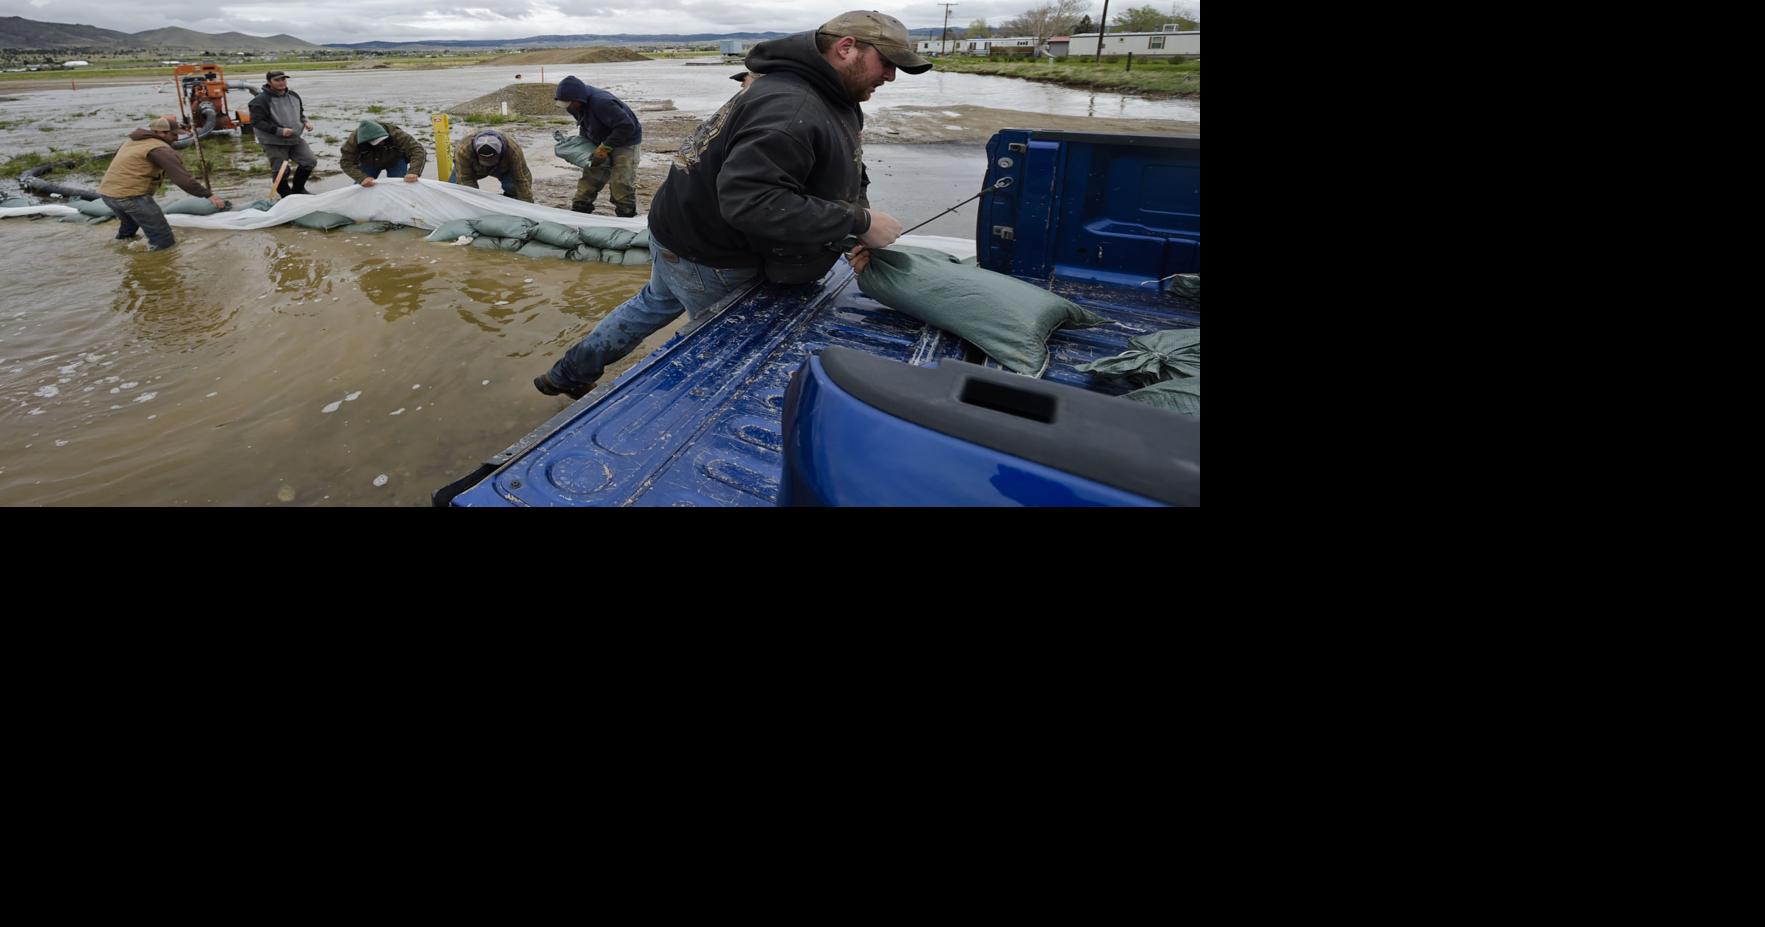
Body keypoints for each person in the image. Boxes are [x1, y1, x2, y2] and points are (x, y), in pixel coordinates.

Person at [534, 10, 930, 400]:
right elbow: (752, 202)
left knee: (651, 305)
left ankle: (566, 374)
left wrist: (857, 223)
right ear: (847, 48)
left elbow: (847, 167)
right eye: (888, 63)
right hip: (710, 256)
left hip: (678, 229)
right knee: (715, 349)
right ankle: (657, 413)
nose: (891, 76)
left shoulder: (824, 92)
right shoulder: (792, 107)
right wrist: (858, 220)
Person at [96, 115, 227, 252]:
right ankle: (156, 268)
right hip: (132, 196)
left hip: (108, 194)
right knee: (164, 241)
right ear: (160, 133)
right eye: (174, 135)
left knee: (129, 228)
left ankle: (122, 251)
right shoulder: (159, 148)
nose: (176, 138)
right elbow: (182, 179)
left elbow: (117, 160)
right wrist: (209, 195)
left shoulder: (131, 142)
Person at [552, 75, 642, 216]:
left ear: (578, 99)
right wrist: (585, 146)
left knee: (621, 180)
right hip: (598, 137)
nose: (568, 107)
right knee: (592, 172)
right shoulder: (573, 106)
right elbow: (585, 123)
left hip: (626, 139)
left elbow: (626, 126)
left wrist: (605, 148)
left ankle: (626, 211)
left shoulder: (602, 102)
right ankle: (581, 207)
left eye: (569, 103)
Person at [249, 70, 317, 196]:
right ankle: (286, 196)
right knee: (281, 170)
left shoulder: (294, 95)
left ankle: (298, 190)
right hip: (273, 142)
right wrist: (279, 131)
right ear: (269, 82)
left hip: (294, 138)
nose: (281, 82)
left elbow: (300, 112)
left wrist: (305, 121)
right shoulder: (260, 100)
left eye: (283, 79)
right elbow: (256, 122)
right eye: (277, 80)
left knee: (309, 161)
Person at [448, 130, 533, 202]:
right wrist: (474, 203)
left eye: (491, 160)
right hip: (475, 168)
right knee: (455, 189)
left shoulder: (513, 150)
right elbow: (465, 179)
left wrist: (528, 206)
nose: (488, 164)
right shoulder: (463, 149)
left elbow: (521, 180)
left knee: (513, 188)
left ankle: (511, 205)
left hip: (503, 168)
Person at [340, 120, 426, 186]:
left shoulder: (395, 133)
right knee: (363, 186)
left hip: (395, 159)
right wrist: (361, 178)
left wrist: (414, 172)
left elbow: (417, 150)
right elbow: (346, 162)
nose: (382, 142)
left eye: (383, 139)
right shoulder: (353, 141)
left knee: (400, 185)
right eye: (377, 141)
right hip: (369, 162)